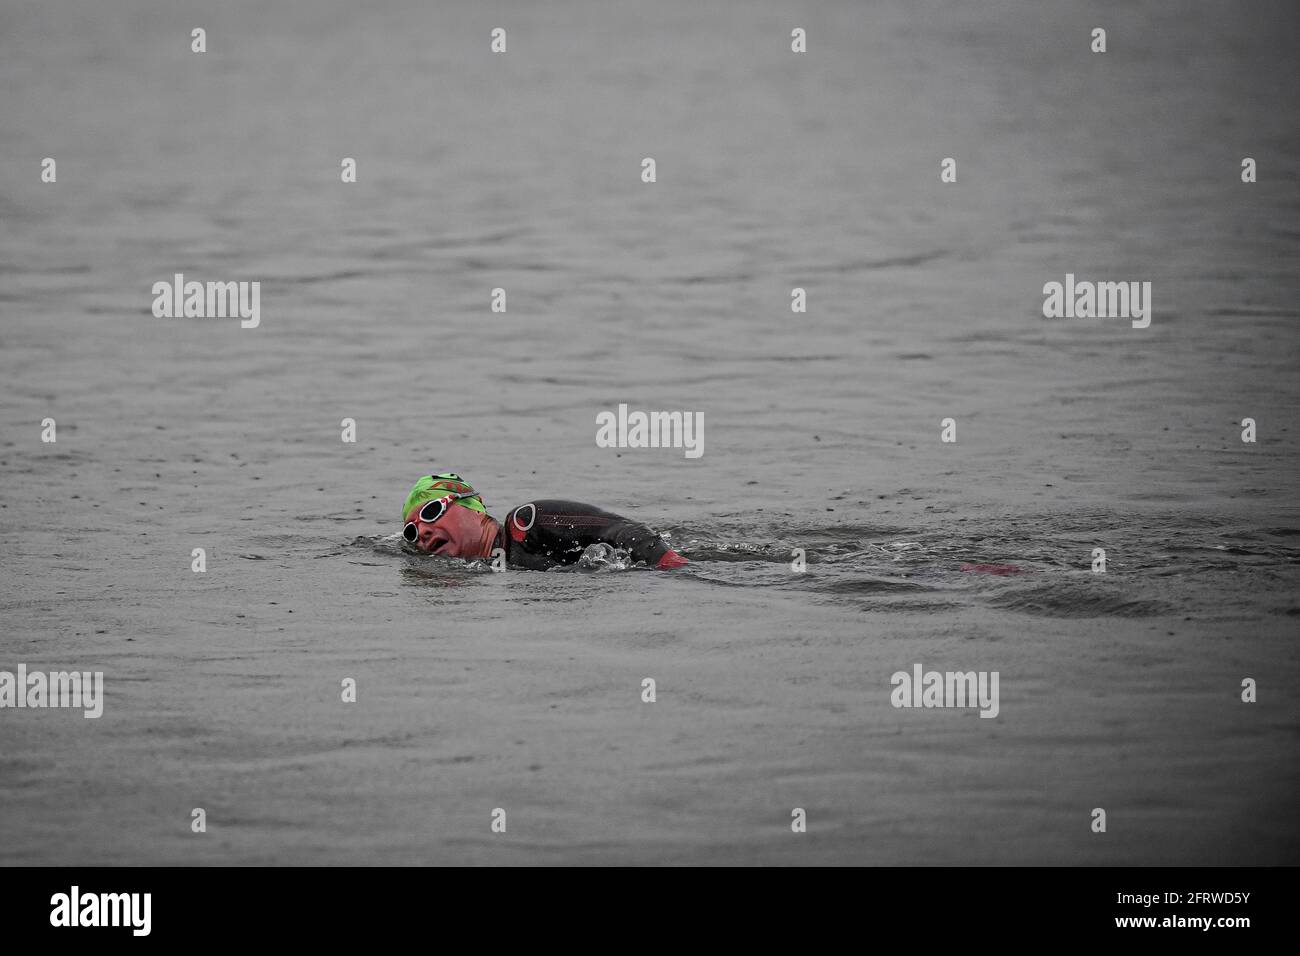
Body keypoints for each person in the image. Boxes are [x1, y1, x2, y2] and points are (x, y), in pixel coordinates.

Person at [401, 472, 689, 571]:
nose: (423, 531)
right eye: (411, 532)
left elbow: (624, 531)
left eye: (431, 512)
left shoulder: (526, 523)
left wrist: (675, 569)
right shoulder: (495, 567)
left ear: (474, 508)